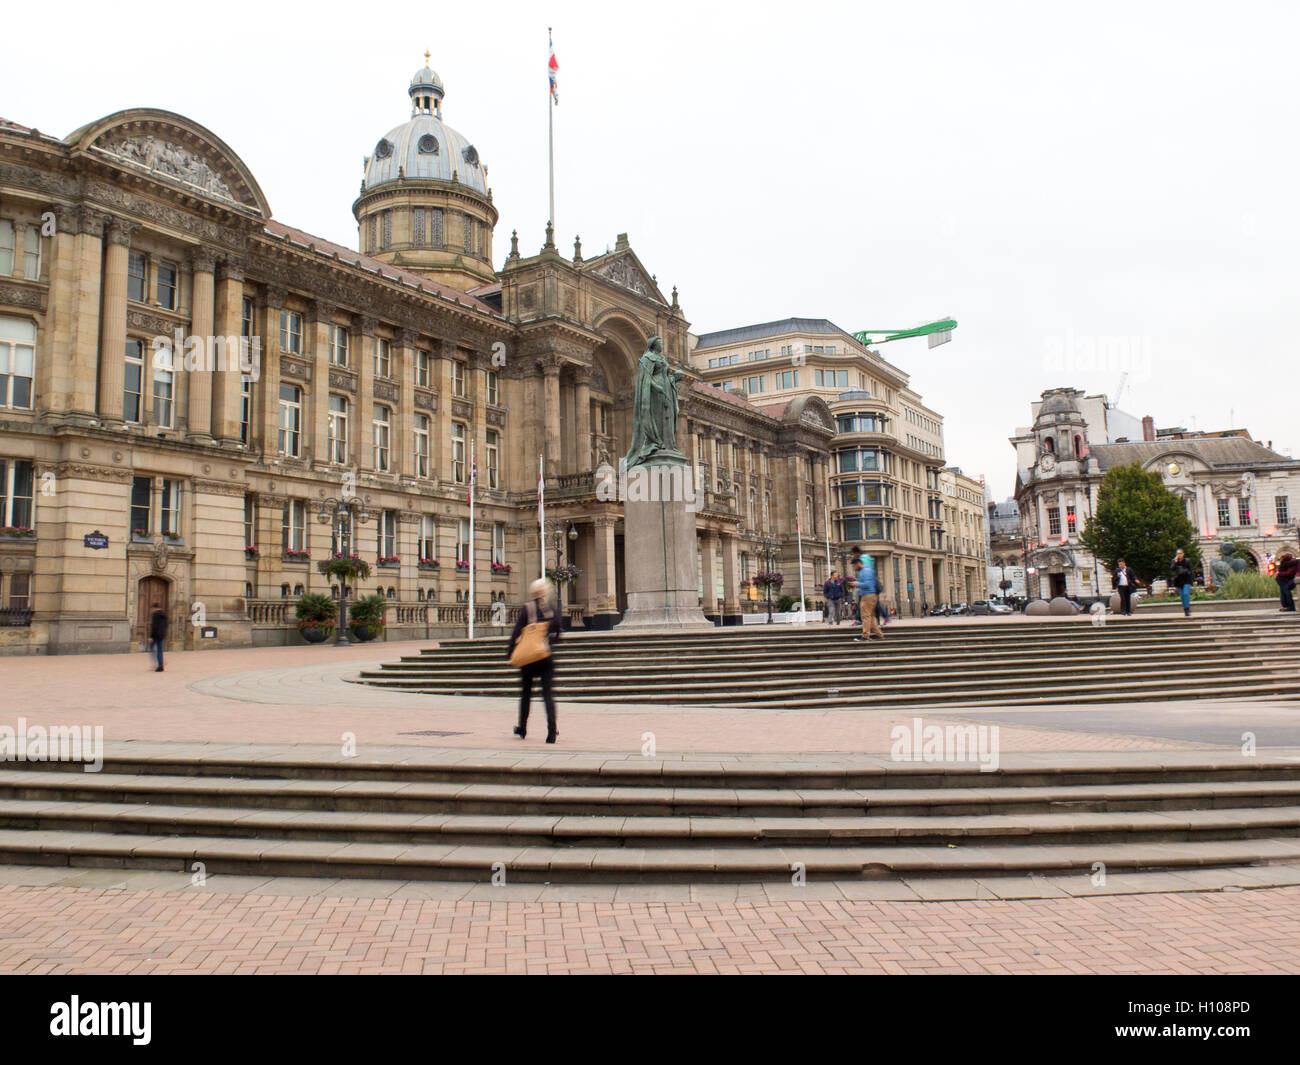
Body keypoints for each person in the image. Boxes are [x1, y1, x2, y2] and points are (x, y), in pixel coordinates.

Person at [506, 578, 564, 743]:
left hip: (529, 658)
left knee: (526, 694)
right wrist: (548, 644)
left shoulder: (528, 609)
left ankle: (522, 728)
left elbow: (516, 633)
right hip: (545, 657)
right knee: (548, 695)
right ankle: (552, 732)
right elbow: (559, 634)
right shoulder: (551, 610)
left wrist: (510, 654)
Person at [852, 556, 884, 641]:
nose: (854, 568)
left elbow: (867, 584)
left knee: (865, 616)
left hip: (867, 595)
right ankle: (879, 634)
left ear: (858, 563)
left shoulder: (865, 571)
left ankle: (865, 636)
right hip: (870, 595)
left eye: (854, 566)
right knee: (871, 616)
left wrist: (857, 584)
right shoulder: (868, 569)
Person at [1171, 549, 1196, 617]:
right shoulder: (1174, 561)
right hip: (1178, 581)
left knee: (1185, 594)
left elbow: (1191, 570)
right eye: (1178, 553)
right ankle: (1185, 609)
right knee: (1182, 596)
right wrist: (1175, 562)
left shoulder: (1187, 561)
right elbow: (1172, 568)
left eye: (1180, 553)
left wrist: (1194, 579)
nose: (1179, 555)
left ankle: (1187, 609)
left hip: (1186, 579)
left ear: (1183, 554)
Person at [148, 606, 168, 672]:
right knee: (159, 650)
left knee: (151, 648)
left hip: (155, 635)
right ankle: (161, 663)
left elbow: (154, 626)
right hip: (161, 634)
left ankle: (159, 664)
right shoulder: (164, 614)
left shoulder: (155, 615)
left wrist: (151, 636)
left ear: (154, 608)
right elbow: (166, 625)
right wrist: (164, 633)